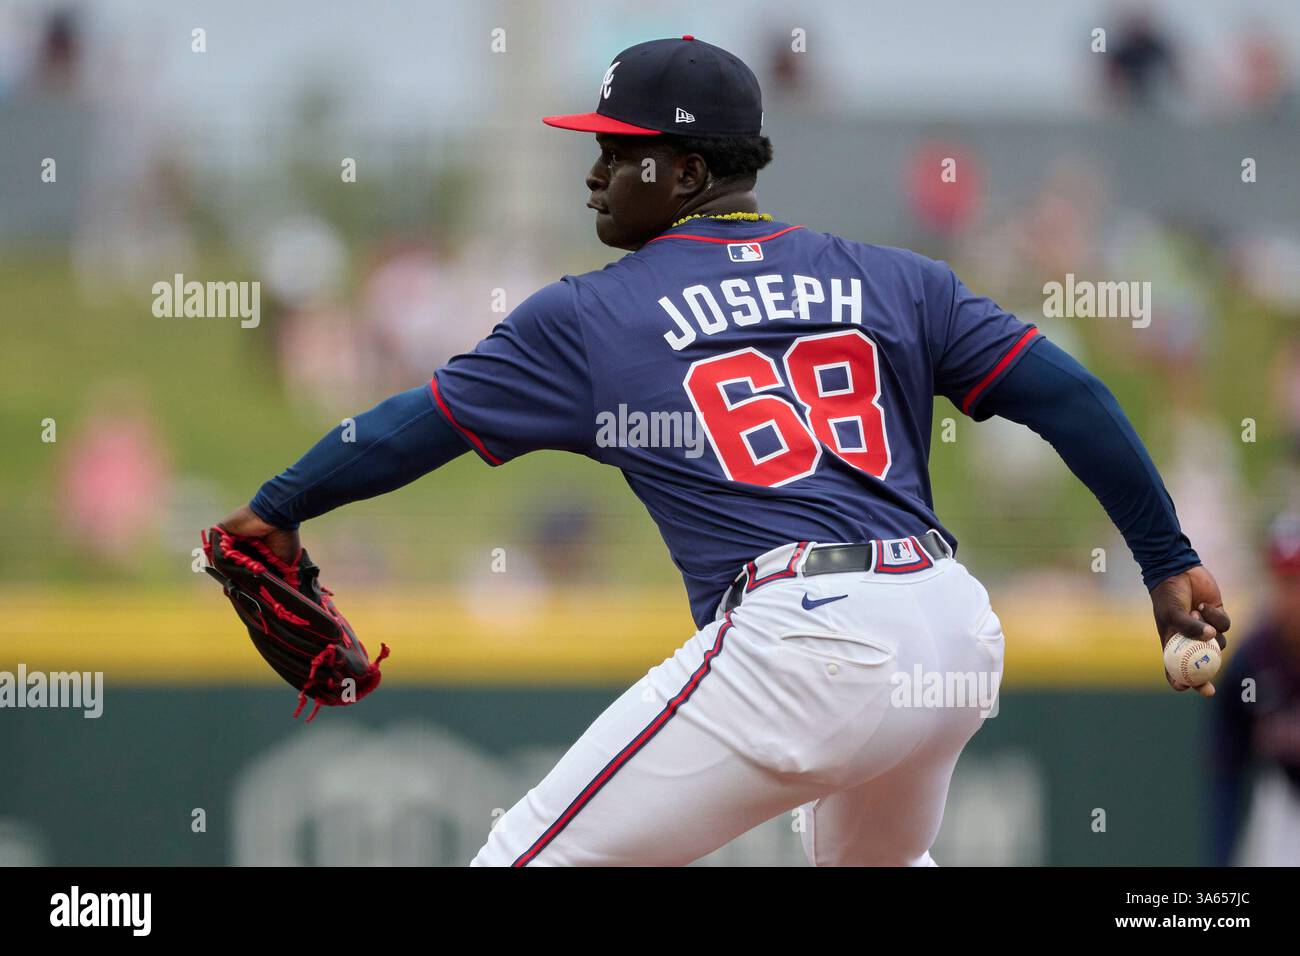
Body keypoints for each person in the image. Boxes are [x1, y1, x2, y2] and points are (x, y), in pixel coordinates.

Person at [216, 37, 1230, 866]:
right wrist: (1162, 554)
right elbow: (1071, 394)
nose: (594, 172)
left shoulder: (593, 312)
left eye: (617, 151)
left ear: (688, 171)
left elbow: (408, 426)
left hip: (809, 634)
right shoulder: (894, 277)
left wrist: (276, 506)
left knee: (525, 857)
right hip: (950, 627)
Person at [1211, 513, 1300, 866]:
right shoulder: (1252, 659)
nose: (1290, 596)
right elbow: (1226, 772)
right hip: (1285, 809)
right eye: (1283, 581)